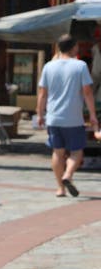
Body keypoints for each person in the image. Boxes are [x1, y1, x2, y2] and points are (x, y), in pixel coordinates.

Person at [36, 33, 99, 197]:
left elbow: (42, 93)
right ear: (73, 47)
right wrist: (93, 115)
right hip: (73, 118)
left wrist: (40, 113)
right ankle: (68, 175)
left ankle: (60, 188)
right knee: (77, 152)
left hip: (54, 117)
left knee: (57, 152)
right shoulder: (80, 66)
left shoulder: (49, 66)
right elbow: (87, 92)